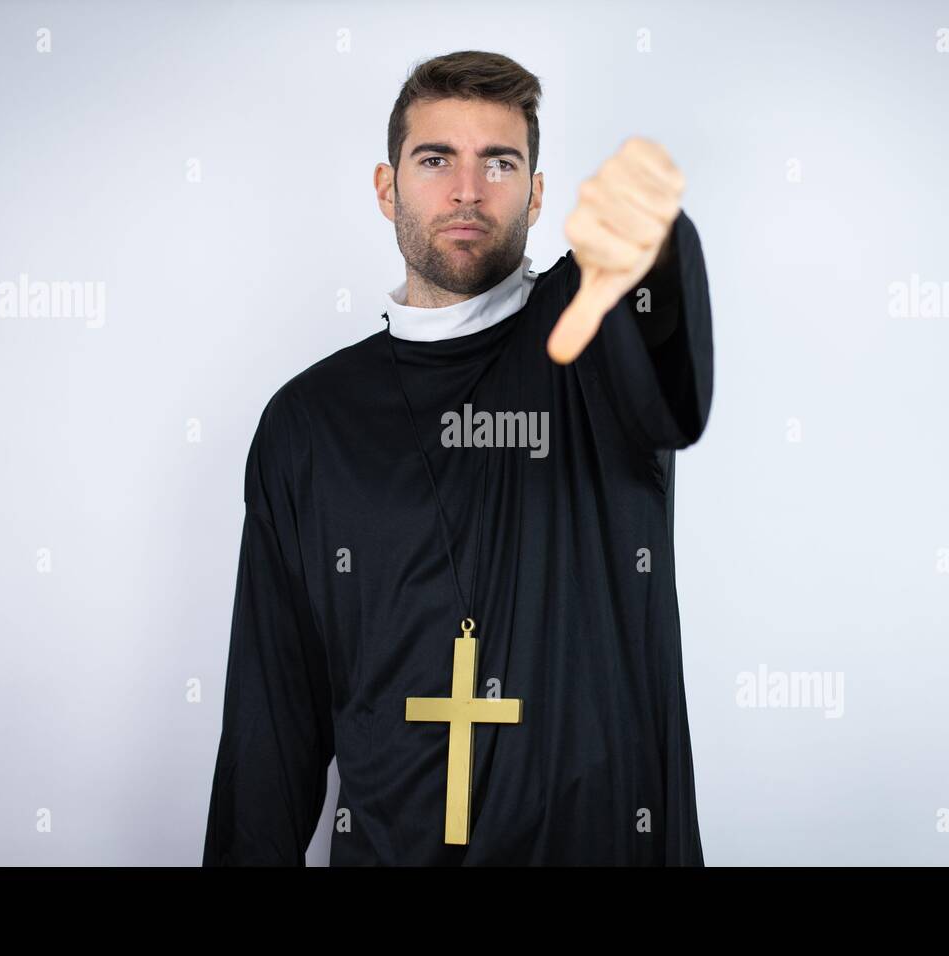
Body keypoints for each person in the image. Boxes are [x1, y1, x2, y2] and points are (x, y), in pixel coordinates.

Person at [203, 49, 713, 865]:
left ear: (538, 194)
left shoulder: (589, 352)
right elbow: (272, 723)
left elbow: (658, 341)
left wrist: (647, 237)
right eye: (436, 160)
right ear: (386, 186)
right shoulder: (308, 422)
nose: (468, 190)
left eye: (499, 163)